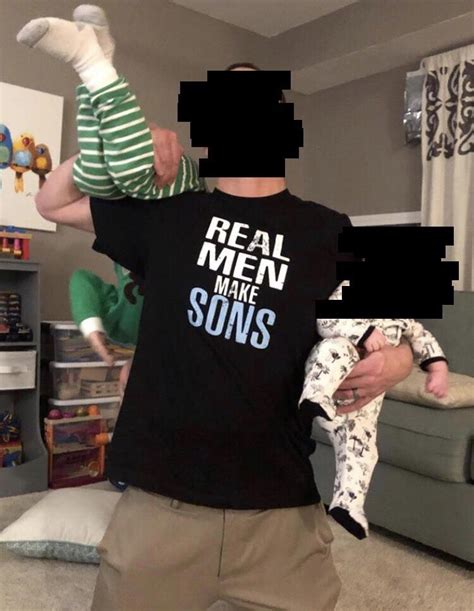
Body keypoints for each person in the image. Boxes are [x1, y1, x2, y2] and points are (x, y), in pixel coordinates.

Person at [23, 8, 414, 611]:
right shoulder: (169, 214)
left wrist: (399, 362)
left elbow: (404, 328)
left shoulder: (330, 228)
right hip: (161, 507)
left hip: (282, 511)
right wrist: (124, 141)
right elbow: (51, 201)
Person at [299, 279, 449, 539]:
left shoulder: (404, 319)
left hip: (363, 401)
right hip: (333, 372)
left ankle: (348, 504)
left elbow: (422, 339)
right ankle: (315, 397)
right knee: (335, 348)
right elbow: (325, 320)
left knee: (364, 450)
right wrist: (364, 333)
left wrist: (438, 369)